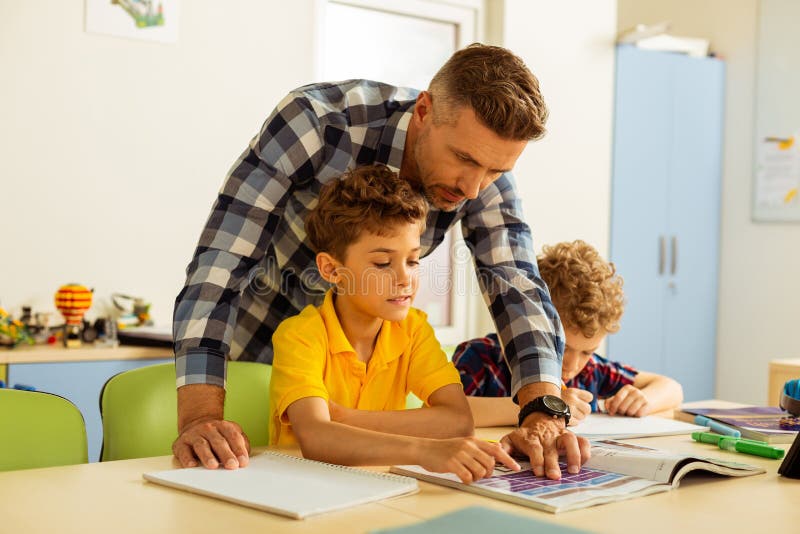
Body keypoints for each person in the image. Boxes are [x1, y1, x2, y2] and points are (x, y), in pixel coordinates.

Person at [172, 43, 589, 479]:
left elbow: (516, 283)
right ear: (424, 110)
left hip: (363, 399)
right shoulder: (316, 122)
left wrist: (542, 413)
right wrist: (201, 416)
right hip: (253, 347)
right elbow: (222, 263)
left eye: (495, 171)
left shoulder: (481, 178)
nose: (473, 189)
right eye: (464, 159)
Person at [268, 164, 520, 483]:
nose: (405, 279)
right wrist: (424, 450)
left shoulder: (413, 329)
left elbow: (457, 421)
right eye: (383, 263)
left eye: (413, 260)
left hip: (379, 486)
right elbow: (317, 438)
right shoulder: (299, 336)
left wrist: (347, 418)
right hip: (302, 488)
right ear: (332, 270)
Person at [453, 240, 684, 427]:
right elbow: (446, 412)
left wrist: (643, 401)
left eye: (587, 352)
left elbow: (671, 388)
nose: (572, 365)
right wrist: (544, 405)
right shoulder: (480, 356)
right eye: (560, 349)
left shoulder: (591, 372)